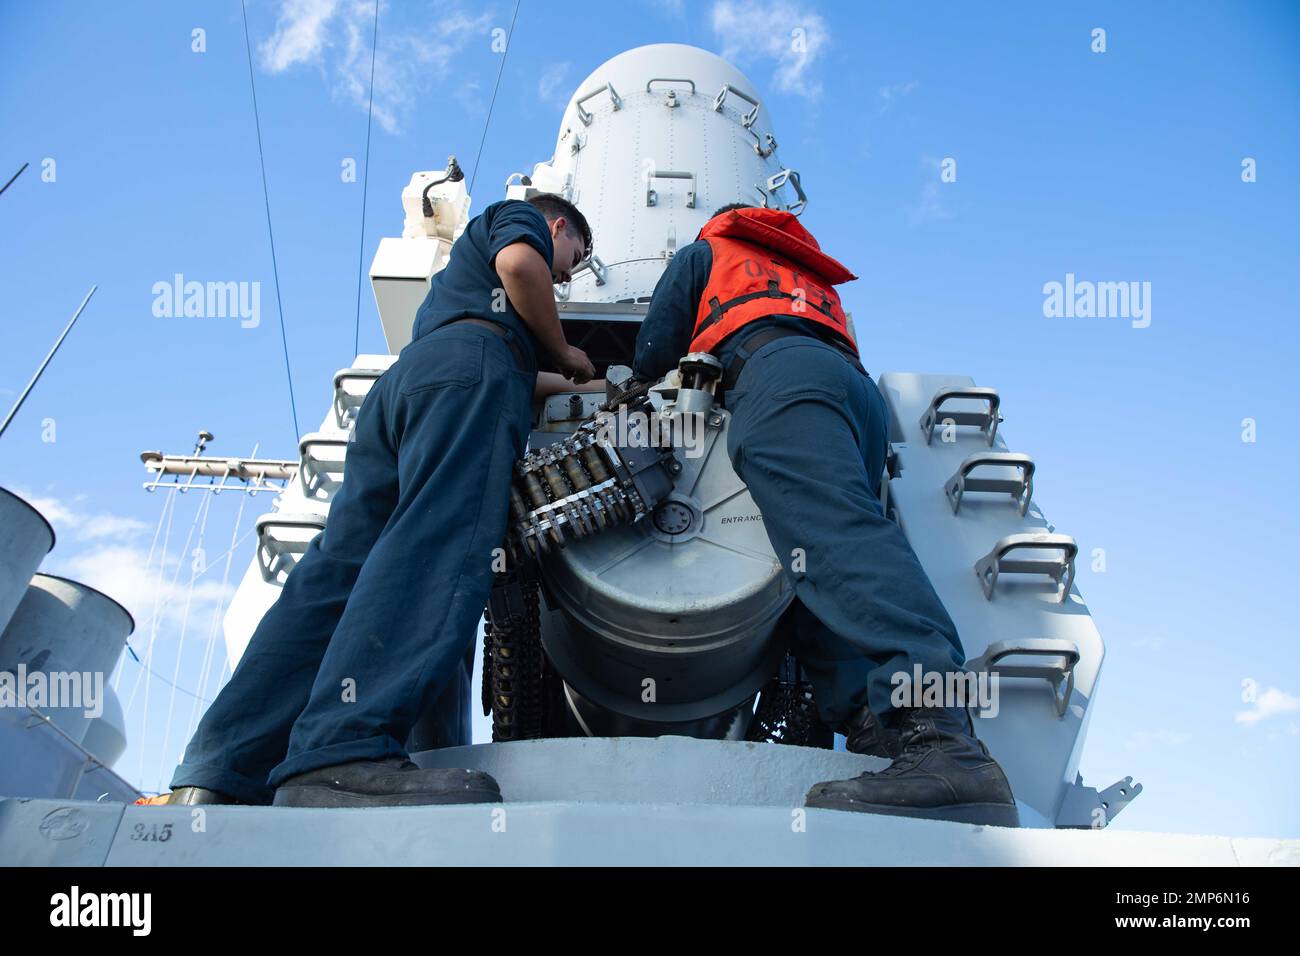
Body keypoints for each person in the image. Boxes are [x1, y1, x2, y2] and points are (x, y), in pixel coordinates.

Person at [154, 194, 596, 808]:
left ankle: (221, 772)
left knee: (335, 573)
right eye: (577, 253)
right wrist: (563, 349)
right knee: (436, 543)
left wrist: (589, 381)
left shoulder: (464, 300)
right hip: (471, 376)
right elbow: (523, 270)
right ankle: (345, 749)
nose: (570, 272)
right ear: (558, 226)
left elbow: (520, 366)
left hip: (408, 387)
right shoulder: (519, 225)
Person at [632, 203, 1018, 826]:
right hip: (850, 391)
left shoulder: (707, 251)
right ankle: (889, 738)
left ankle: (946, 746)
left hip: (778, 375)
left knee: (838, 542)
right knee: (816, 569)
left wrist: (634, 390)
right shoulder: (803, 273)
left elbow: (656, 345)